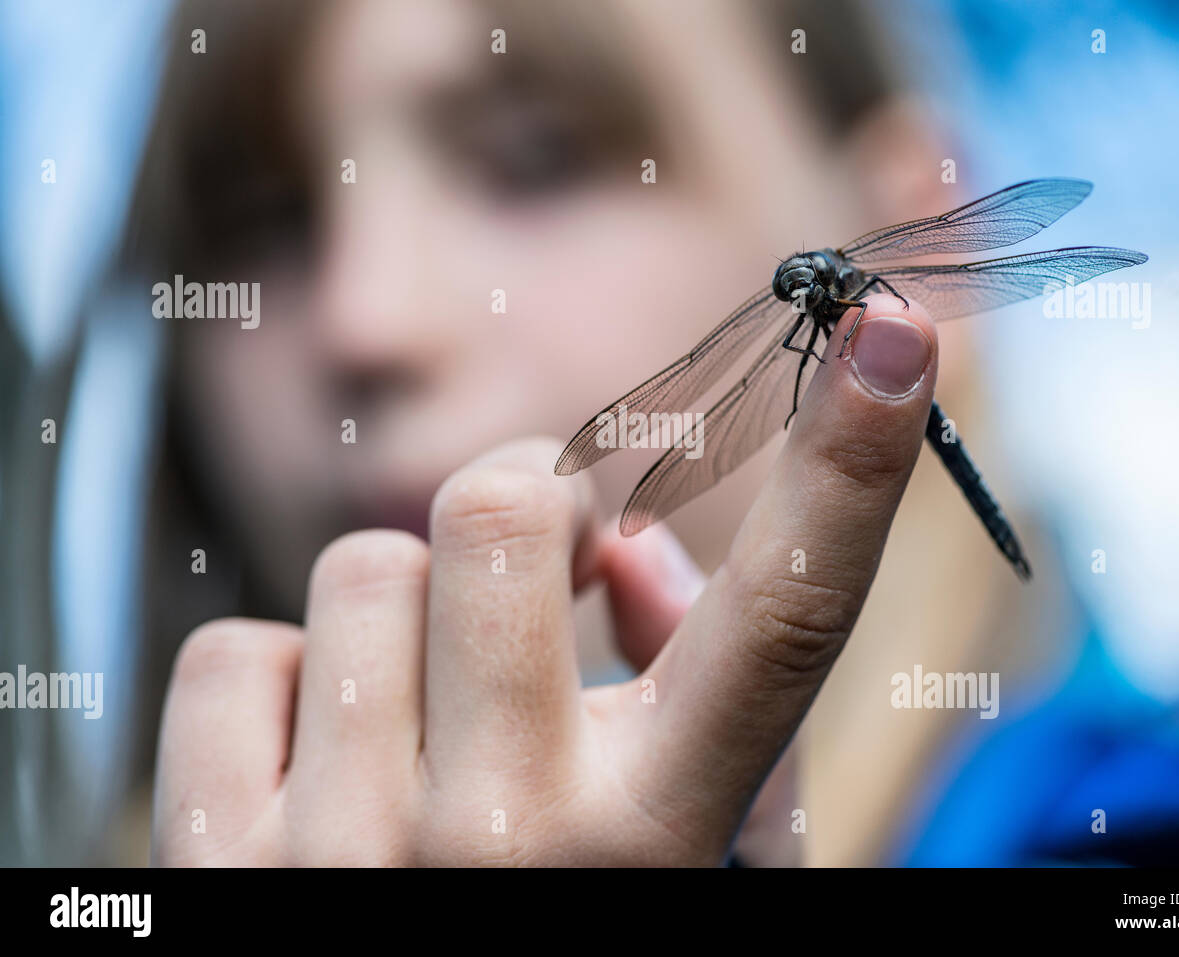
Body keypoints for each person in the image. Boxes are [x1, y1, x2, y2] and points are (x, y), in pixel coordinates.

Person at [24, 0, 1047, 865]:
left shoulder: (1176, 827)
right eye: (264, 217)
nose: (366, 318)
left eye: (535, 161)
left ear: (907, 212)